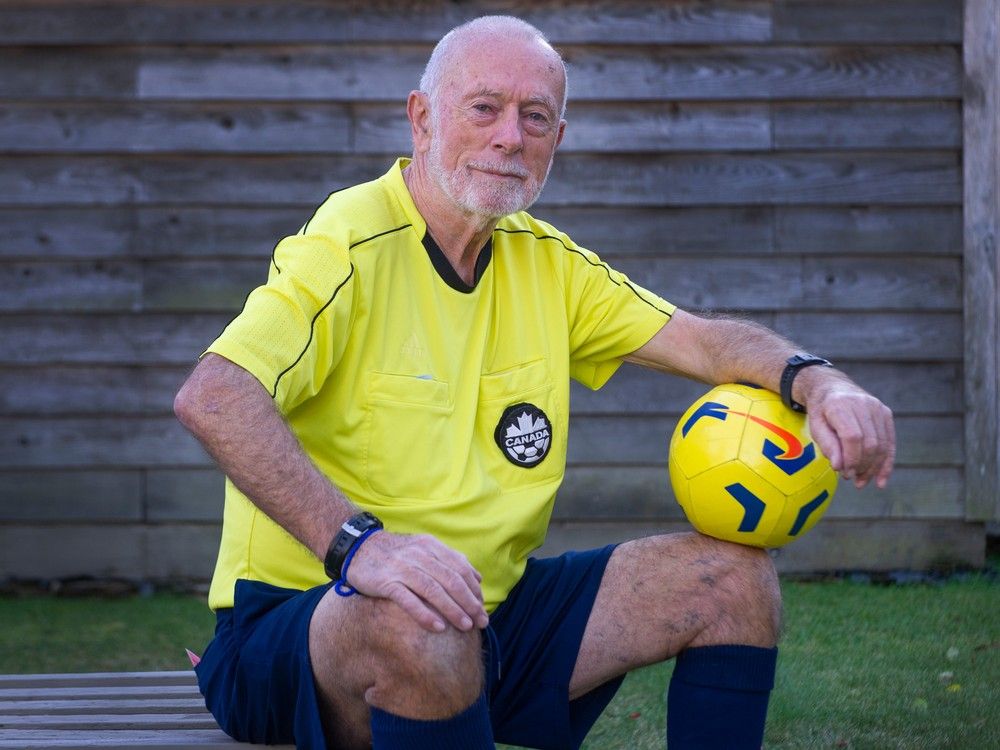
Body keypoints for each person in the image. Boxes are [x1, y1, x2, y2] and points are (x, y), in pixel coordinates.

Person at [174, 15, 895, 750]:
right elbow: (215, 396)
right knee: (424, 620)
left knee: (732, 581)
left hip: (488, 618)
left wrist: (821, 383)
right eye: (483, 108)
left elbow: (704, 342)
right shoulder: (350, 240)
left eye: (535, 117)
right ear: (422, 118)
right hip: (306, 623)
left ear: (558, 137)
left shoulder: (546, 262)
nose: (510, 138)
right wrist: (360, 547)